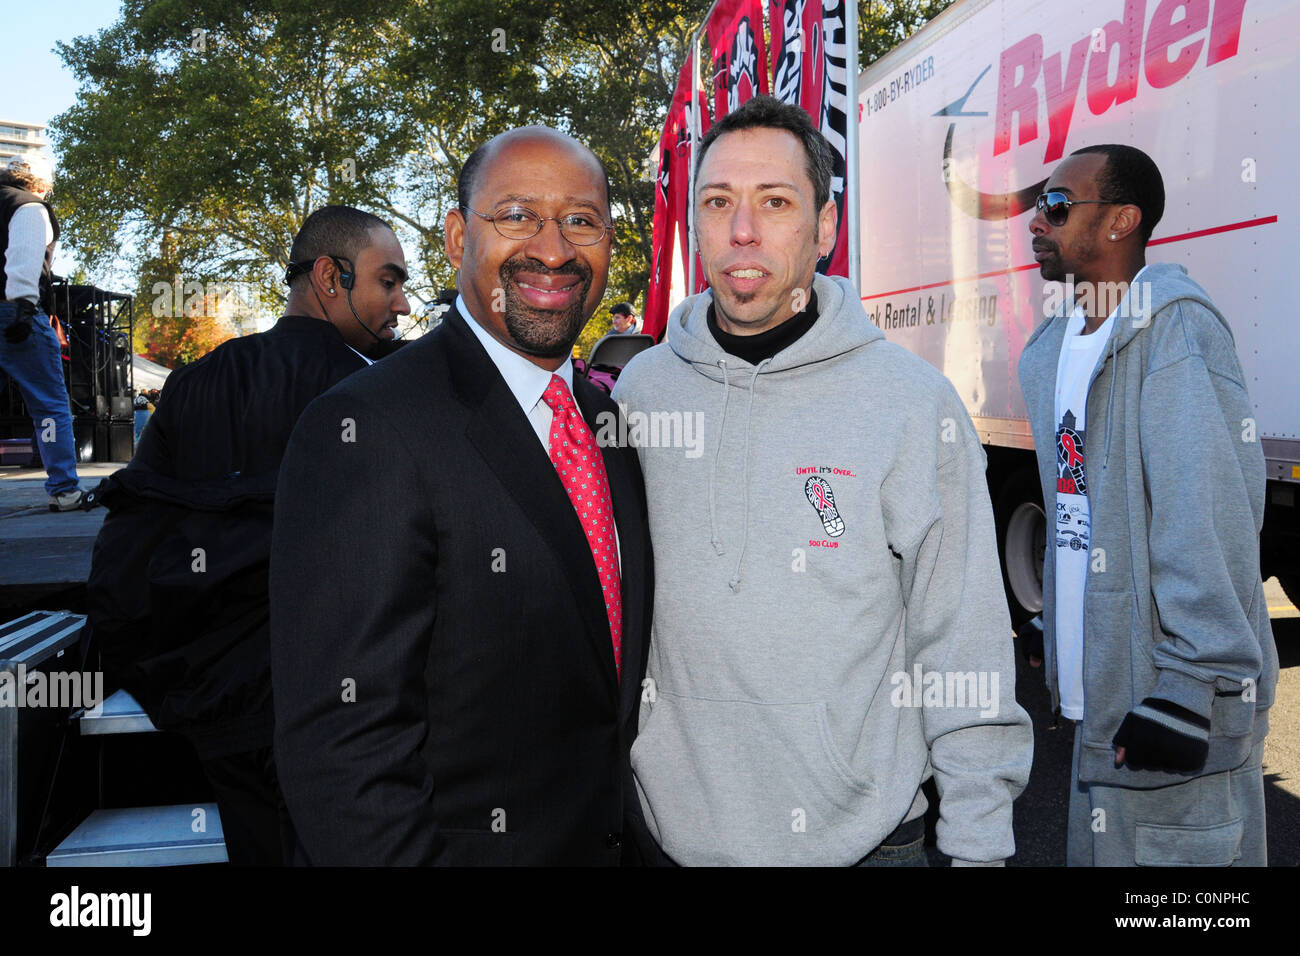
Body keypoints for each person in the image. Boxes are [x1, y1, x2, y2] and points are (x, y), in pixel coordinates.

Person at [612, 95, 1032, 866]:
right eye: (718, 202)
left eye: (775, 202)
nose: (743, 230)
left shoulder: (911, 404)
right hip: (667, 842)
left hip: (865, 844)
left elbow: (961, 639)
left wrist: (978, 844)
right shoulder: (641, 393)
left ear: (826, 228)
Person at [269, 127, 653, 866]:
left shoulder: (609, 425)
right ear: (455, 237)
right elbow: (344, 750)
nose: (553, 248)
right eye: (516, 215)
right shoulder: (365, 430)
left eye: (582, 220)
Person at [85, 205, 410, 865]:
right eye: (388, 281)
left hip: (218, 706)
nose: (401, 304)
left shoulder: (194, 382)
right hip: (346, 712)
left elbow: (132, 545)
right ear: (329, 276)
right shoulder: (384, 395)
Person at [1020, 145, 1277, 866]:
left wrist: (1193, 682)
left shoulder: (1175, 333)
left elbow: (1211, 516)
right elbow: (1076, 506)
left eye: (1060, 205)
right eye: (1041, 204)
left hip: (1167, 705)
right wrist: (1055, 615)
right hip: (1101, 703)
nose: (1039, 220)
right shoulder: (1052, 348)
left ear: (1122, 221)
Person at [0, 156, 85, 511]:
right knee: (48, 404)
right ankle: (64, 490)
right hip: (13, 310)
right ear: (40, 185)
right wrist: (22, 302)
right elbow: (23, 253)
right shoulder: (29, 207)